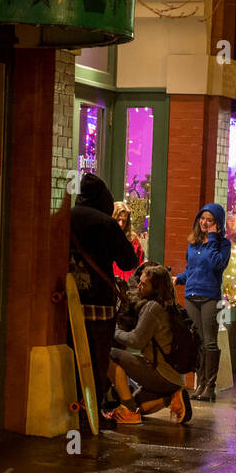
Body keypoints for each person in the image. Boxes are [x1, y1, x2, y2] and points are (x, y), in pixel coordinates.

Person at [70, 173, 140, 429]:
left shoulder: (66, 218)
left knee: (74, 357)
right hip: (99, 306)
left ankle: (72, 411)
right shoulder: (106, 224)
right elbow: (128, 262)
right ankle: (92, 413)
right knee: (98, 361)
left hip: (69, 303)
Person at [106, 264, 193, 424]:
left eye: (144, 284)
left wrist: (112, 331)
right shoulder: (170, 305)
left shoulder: (153, 308)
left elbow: (136, 341)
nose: (139, 286)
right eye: (139, 282)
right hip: (174, 378)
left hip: (161, 374)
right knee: (138, 406)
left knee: (109, 354)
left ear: (156, 288)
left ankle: (128, 411)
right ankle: (171, 397)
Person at [174, 203, 232, 402]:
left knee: (210, 341)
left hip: (210, 296)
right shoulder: (194, 243)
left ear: (217, 223)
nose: (205, 223)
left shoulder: (223, 244)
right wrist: (178, 279)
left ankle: (210, 386)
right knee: (197, 341)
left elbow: (217, 264)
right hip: (191, 295)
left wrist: (214, 239)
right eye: (203, 218)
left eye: (210, 220)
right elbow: (191, 269)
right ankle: (200, 383)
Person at [112, 203, 145, 280]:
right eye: (118, 220)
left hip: (129, 284)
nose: (121, 224)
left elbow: (140, 264)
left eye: (124, 221)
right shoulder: (105, 237)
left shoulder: (133, 239)